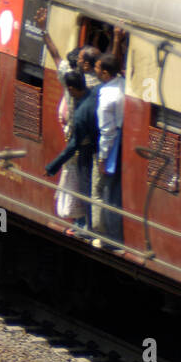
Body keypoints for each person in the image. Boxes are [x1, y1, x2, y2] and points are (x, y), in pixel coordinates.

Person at [46, 71, 97, 236]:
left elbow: (73, 145)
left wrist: (53, 166)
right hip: (94, 149)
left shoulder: (81, 113)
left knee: (85, 190)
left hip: (86, 152)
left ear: (71, 88)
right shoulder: (92, 95)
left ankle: (86, 227)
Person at [92, 53, 126, 249]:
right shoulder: (121, 83)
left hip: (113, 145)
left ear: (105, 73)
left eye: (97, 67)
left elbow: (107, 131)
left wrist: (103, 158)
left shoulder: (106, 97)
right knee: (115, 191)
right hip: (122, 138)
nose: (94, 70)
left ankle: (112, 239)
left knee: (108, 191)